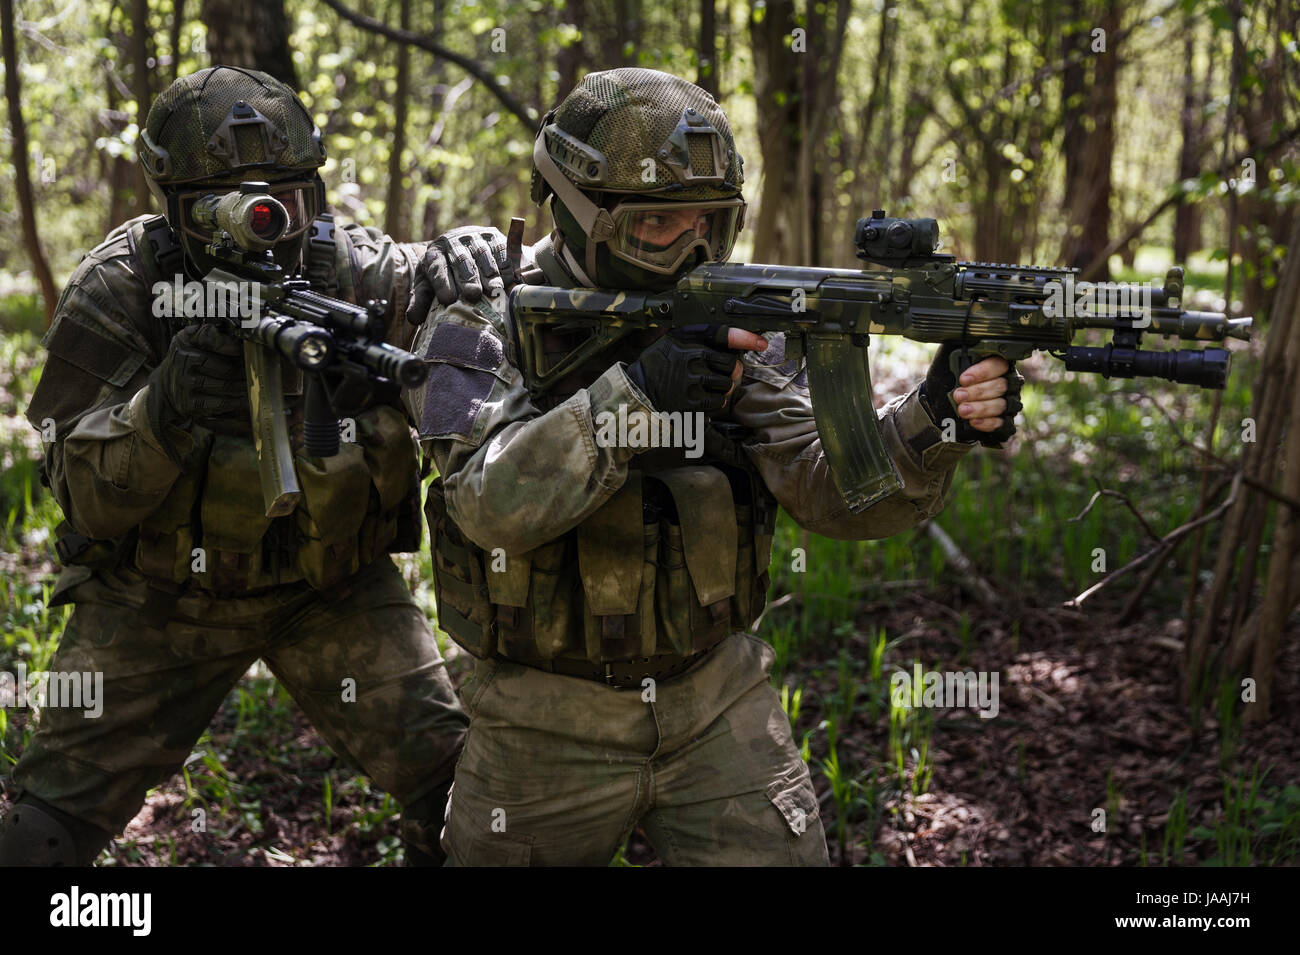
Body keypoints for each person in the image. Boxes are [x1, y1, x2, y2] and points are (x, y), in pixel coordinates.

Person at [407, 67, 1024, 866]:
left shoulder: (729, 320)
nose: (693, 248)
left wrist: (933, 417)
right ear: (578, 211)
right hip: (539, 719)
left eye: (713, 223)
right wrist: (636, 395)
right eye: (659, 225)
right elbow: (486, 505)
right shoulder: (482, 317)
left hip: (717, 703)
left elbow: (834, 492)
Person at [0, 65, 501, 866]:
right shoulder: (123, 287)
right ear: (172, 206)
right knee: (45, 828)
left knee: (462, 799)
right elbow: (81, 497)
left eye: (289, 198)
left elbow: (482, 331)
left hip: (331, 588)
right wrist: (161, 413)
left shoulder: (354, 268)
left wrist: (469, 262)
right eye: (222, 205)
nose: (268, 222)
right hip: (158, 598)